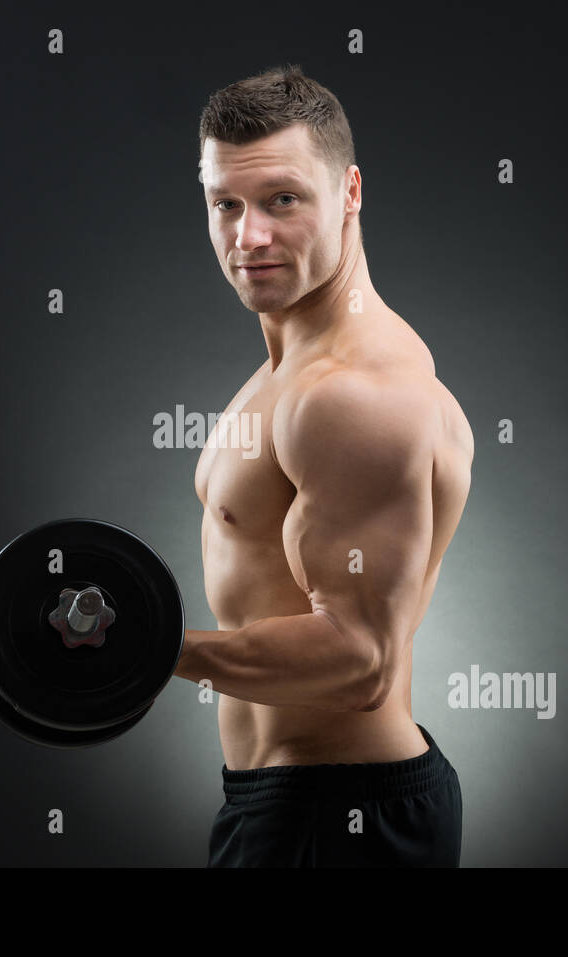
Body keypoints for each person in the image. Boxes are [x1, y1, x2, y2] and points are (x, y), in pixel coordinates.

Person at [173, 64, 475, 867]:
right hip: (284, 804)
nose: (249, 237)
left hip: (343, 816)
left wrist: (156, 648)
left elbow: (359, 660)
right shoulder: (285, 371)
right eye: (224, 205)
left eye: (283, 199)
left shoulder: (353, 395)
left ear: (349, 193)